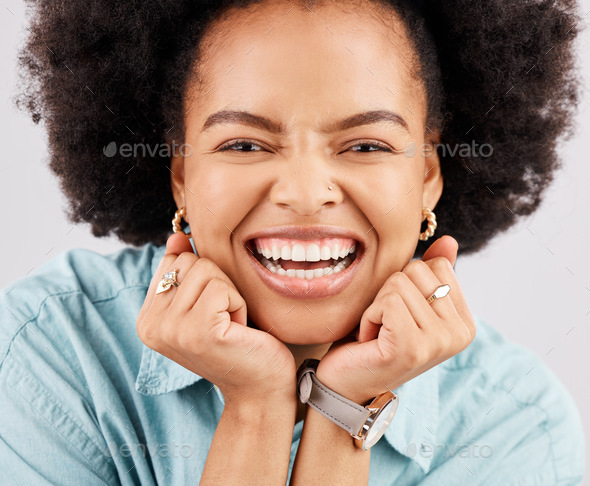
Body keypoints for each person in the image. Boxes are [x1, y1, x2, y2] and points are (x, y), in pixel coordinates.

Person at [0, 0, 585, 484]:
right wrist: (255, 407)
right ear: (180, 174)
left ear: (429, 176)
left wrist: (342, 415)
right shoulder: (46, 354)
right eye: (244, 145)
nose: (306, 195)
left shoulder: (513, 427)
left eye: (366, 145)